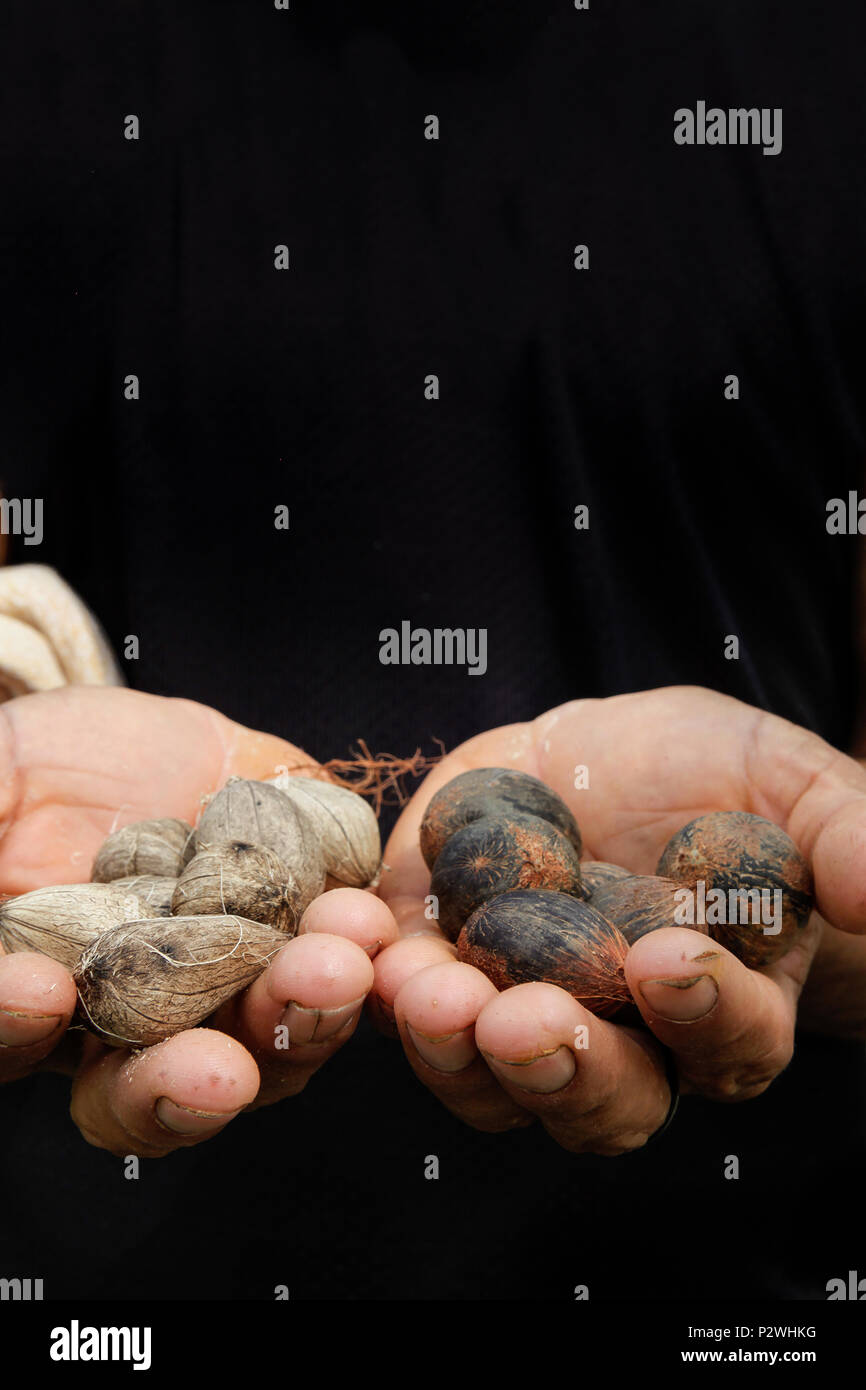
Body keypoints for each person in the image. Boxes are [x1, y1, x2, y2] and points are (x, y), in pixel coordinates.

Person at [1, 1, 864, 1301]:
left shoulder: (829, 72)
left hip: (740, 1272)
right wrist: (23, 697)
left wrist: (818, 918)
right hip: (109, 1279)